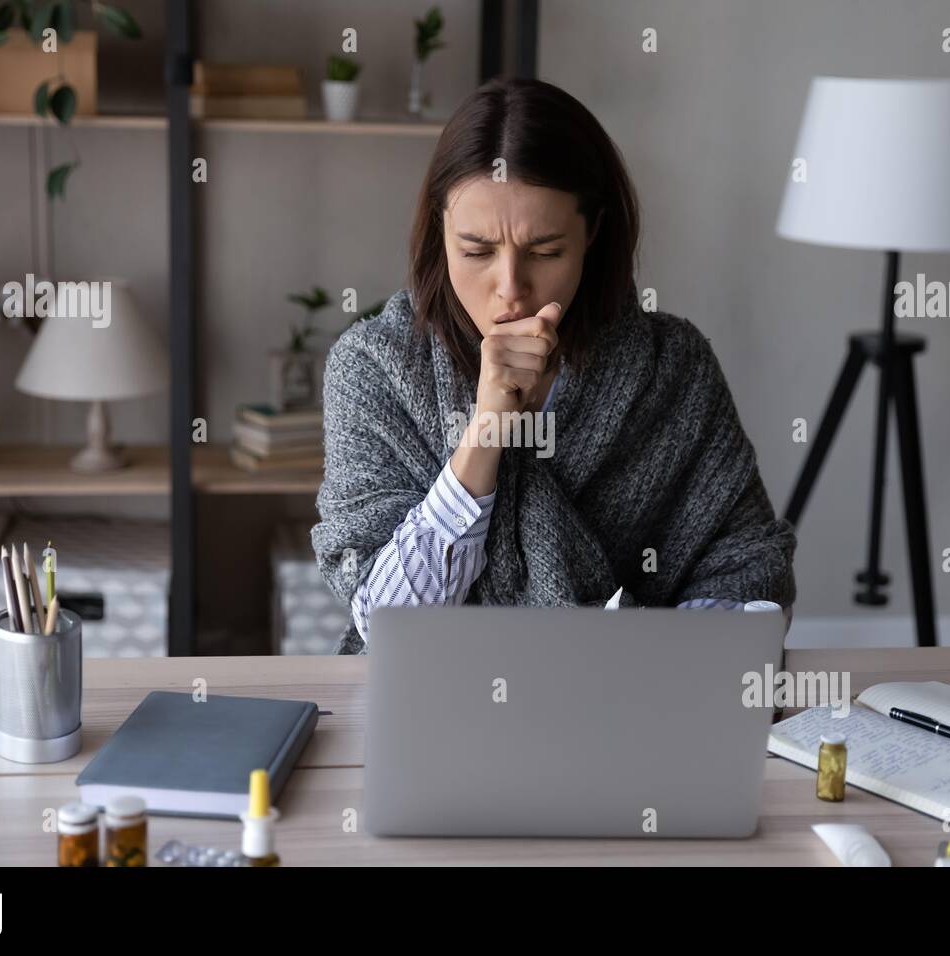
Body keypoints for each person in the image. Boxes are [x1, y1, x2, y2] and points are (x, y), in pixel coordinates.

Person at [312, 77, 796, 655]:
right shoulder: (372, 368)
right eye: (477, 251)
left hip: (634, 701)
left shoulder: (674, 366)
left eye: (545, 252)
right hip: (441, 703)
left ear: (592, 232)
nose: (510, 289)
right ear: (439, 229)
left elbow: (747, 566)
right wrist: (485, 431)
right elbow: (388, 626)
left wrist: (680, 661)